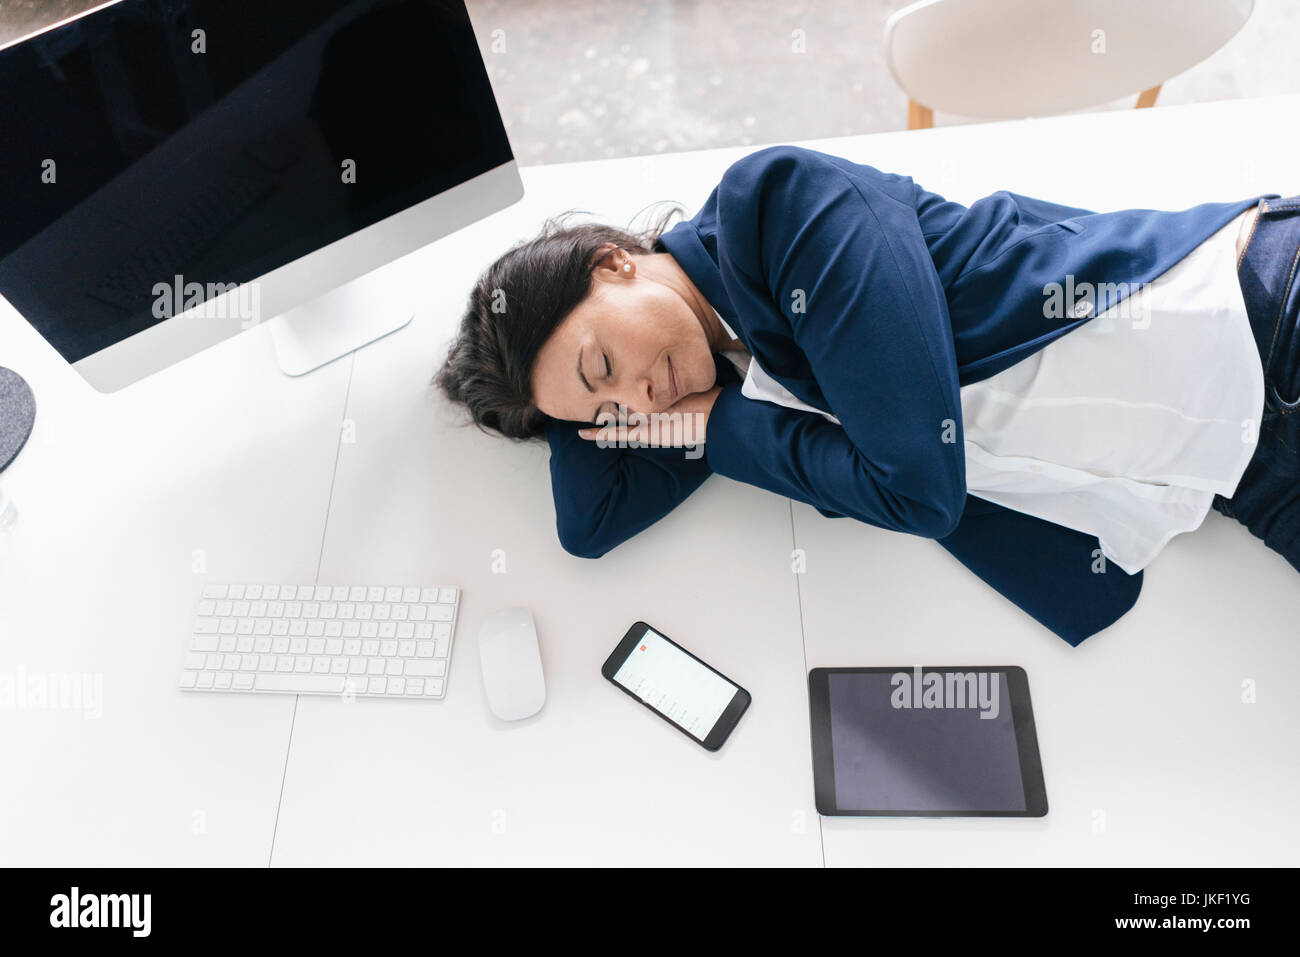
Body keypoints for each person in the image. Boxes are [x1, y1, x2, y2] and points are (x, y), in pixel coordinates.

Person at [435, 144, 1295, 646]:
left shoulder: (779, 210)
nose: (639, 398)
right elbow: (591, 524)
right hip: (1246, 472)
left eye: (602, 362)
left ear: (612, 261)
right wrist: (552, 400)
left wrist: (714, 424)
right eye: (612, 411)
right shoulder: (708, 377)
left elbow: (918, 490)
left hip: (1259, 317)